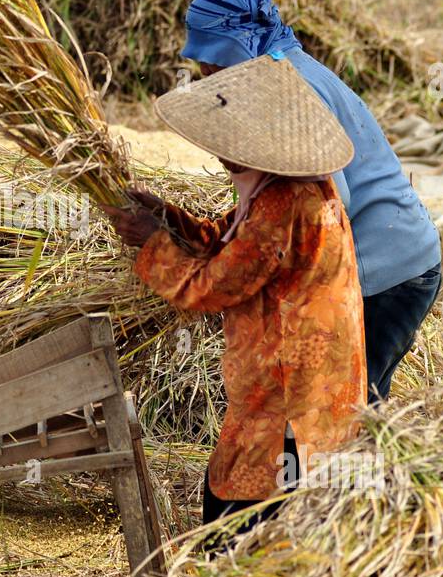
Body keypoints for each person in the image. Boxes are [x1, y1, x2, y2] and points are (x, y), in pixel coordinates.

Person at [103, 55, 366, 531]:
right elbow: (227, 243)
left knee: (254, 504)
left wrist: (152, 243)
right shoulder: (280, 190)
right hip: (294, 372)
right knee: (254, 488)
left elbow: (211, 286)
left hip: (292, 380)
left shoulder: (284, 203)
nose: (219, 152)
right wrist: (166, 217)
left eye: (229, 141)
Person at [181, 0, 442, 403]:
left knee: (339, 415)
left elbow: (329, 208)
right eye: (202, 61)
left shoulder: (289, 91)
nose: (207, 71)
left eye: (215, 58)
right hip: (397, 260)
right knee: (347, 414)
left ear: (241, 43)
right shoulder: (281, 70)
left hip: (384, 273)